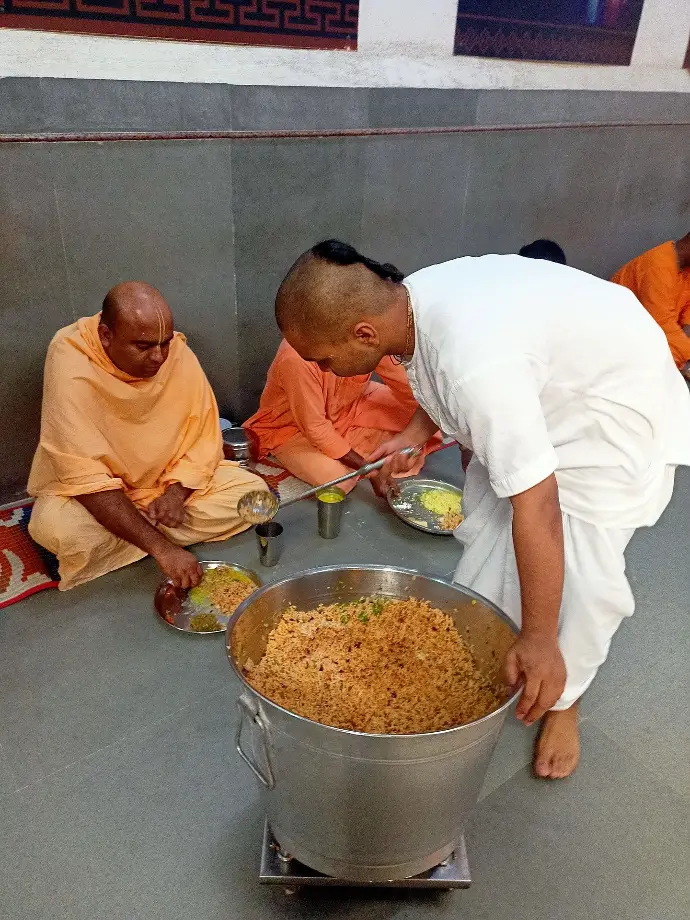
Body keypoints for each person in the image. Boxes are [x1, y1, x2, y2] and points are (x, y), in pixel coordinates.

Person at [273, 239, 690, 780]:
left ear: (364, 333)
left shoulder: (476, 365)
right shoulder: (408, 304)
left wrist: (542, 639)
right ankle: (491, 646)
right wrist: (410, 435)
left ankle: (566, 702)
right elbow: (435, 377)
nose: (319, 368)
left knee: (586, 581)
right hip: (548, 389)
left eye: (322, 359)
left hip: (608, 424)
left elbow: (537, 506)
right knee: (491, 528)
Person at [28, 282, 268, 591]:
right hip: (98, 494)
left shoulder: (174, 352)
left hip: (166, 480)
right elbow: (83, 476)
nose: (159, 357)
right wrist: (163, 549)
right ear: (105, 336)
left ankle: (124, 538)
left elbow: (203, 436)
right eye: (143, 347)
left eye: (165, 343)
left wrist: (175, 493)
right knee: (58, 530)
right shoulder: (70, 359)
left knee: (250, 494)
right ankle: (146, 533)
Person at [244, 338, 442, 492]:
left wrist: (449, 417)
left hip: (352, 407)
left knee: (425, 416)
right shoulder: (297, 355)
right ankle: (364, 455)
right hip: (293, 429)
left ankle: (362, 452)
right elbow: (316, 428)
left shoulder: (368, 338)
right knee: (337, 481)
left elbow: (414, 391)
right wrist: (370, 471)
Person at [611, 234, 690, 378]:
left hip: (650, 344)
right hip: (618, 344)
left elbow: (687, 315)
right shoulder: (658, 266)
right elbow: (662, 326)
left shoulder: (686, 270)